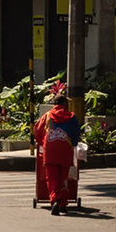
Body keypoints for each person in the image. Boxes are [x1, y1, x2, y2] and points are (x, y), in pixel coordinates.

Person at [36, 79, 83, 216]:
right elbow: (76, 133)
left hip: (50, 151)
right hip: (65, 150)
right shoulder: (72, 117)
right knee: (63, 178)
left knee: (52, 178)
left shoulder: (47, 116)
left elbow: (37, 131)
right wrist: (73, 143)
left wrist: (44, 143)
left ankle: (55, 200)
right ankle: (62, 203)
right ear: (64, 104)